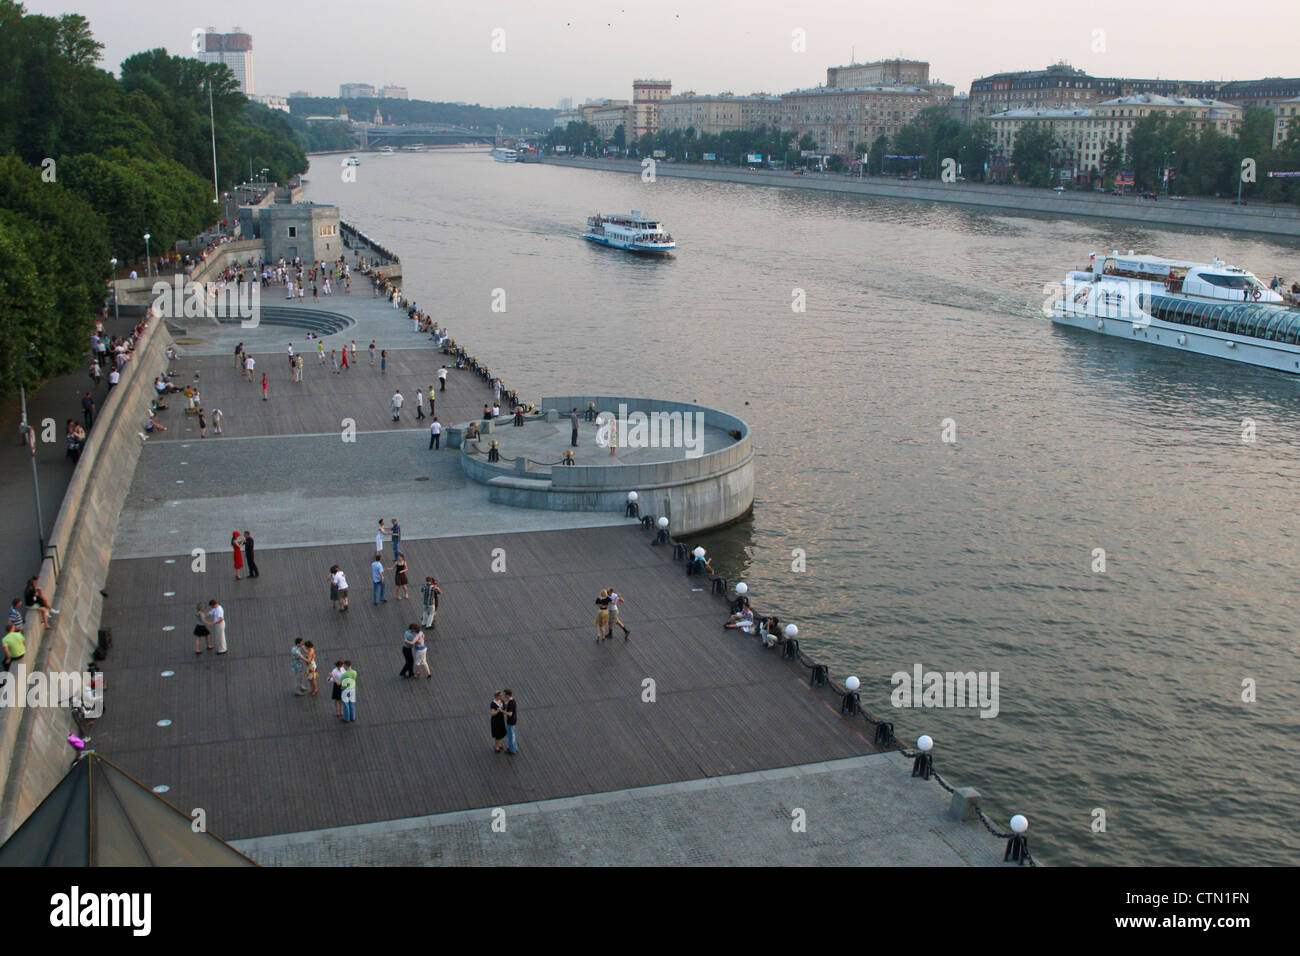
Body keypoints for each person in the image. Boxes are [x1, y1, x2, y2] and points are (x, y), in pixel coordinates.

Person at [504, 688, 518, 754]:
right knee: (513, 734)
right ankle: (515, 747)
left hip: (511, 721)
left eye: (505, 695)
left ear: (507, 695)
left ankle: (511, 749)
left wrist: (503, 711)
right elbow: (508, 703)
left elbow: (510, 714)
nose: (504, 696)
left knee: (510, 736)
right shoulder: (513, 701)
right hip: (514, 720)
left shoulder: (510, 704)